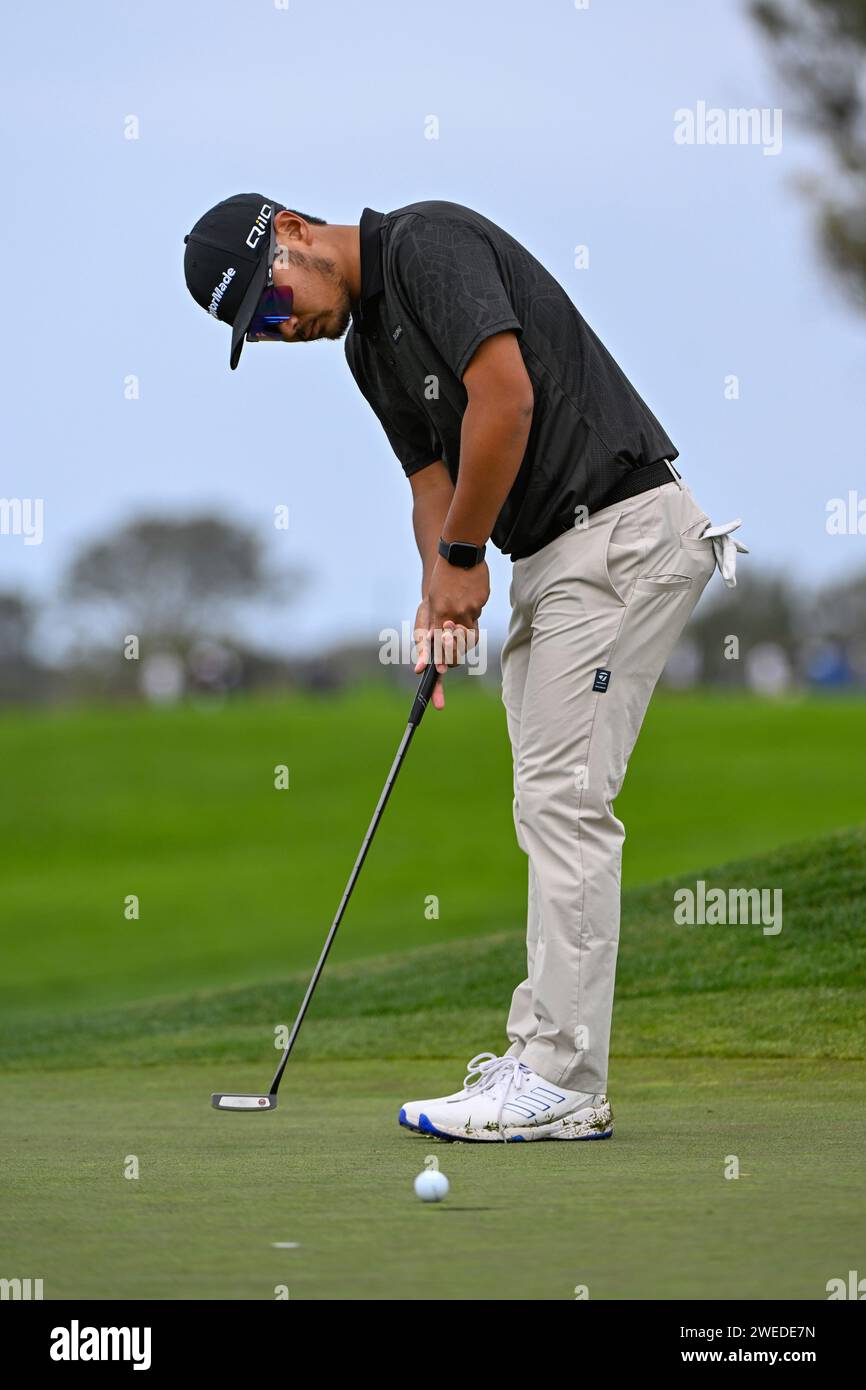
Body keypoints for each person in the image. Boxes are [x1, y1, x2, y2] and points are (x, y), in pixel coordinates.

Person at [183, 194, 746, 1143]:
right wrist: (435, 596)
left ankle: (560, 1076)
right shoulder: (368, 348)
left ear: (289, 232)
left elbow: (506, 396)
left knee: (565, 804)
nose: (283, 332)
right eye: (261, 333)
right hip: (555, 559)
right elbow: (431, 488)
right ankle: (545, 1062)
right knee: (547, 801)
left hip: (617, 534)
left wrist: (460, 562)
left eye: (270, 307)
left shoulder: (426, 242)